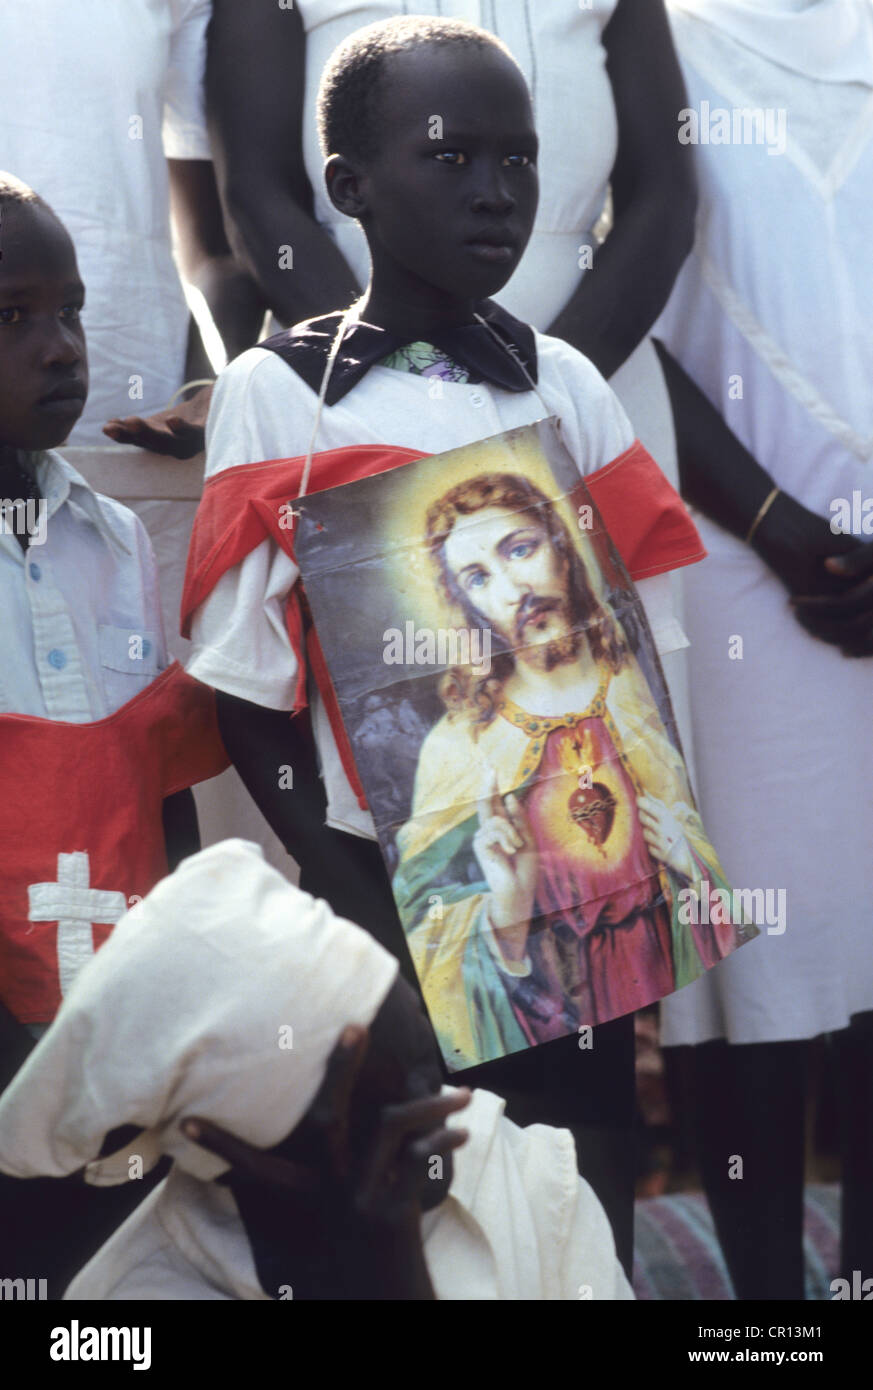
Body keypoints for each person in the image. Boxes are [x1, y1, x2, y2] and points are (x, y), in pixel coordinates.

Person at [180, 15, 707, 1270]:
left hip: (577, 904)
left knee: (576, 1216)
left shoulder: (564, 382)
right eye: (451, 156)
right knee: (436, 1221)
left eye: (518, 158)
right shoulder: (279, 394)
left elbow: (631, 662)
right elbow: (247, 694)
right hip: (385, 901)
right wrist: (367, 913)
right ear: (350, 186)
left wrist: (647, 893)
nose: (496, 191)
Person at [0, 839, 634, 1301]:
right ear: (241, 1156)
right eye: (389, 1113)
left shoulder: (525, 1176)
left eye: (431, 1074)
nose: (448, 1116)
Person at [652, 0, 873, 1300]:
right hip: (728, 557)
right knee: (752, 959)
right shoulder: (651, 36)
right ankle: (764, 1312)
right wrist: (780, 527)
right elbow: (620, 312)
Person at [0, 175, 229, 1295]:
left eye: (71, 311)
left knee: (114, 1287)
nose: (60, 348)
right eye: (12, 316)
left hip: (125, 1037)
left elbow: (160, 780)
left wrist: (181, 984)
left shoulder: (118, 542)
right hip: (13, 1054)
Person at [393, 471, 741, 1069]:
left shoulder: (629, 680)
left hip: (664, 962)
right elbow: (430, 925)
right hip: (552, 1012)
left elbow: (695, 836)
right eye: (478, 578)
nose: (514, 589)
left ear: (562, 544)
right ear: (467, 606)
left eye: (520, 549)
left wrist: (689, 860)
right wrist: (506, 906)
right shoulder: (460, 746)